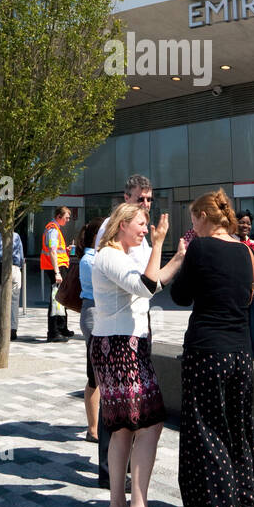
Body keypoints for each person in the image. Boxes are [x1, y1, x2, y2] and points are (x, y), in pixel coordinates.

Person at [170, 191, 254, 507]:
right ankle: (243, 499)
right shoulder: (244, 250)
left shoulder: (200, 247)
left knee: (205, 432)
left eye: (193, 218)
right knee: (238, 427)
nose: (191, 225)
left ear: (204, 217)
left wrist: (183, 255)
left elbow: (180, 295)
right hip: (241, 352)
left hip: (207, 349)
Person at [91, 201, 183, 507]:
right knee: (150, 423)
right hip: (120, 349)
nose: (146, 230)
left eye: (147, 226)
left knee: (125, 429)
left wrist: (177, 256)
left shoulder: (121, 256)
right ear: (123, 225)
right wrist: (159, 244)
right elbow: (145, 285)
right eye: (141, 224)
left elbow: (152, 284)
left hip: (122, 346)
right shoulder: (110, 255)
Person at [92, 174, 156, 489]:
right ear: (125, 198)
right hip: (116, 331)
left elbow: (151, 282)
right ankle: (110, 470)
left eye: (149, 200)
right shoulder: (111, 232)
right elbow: (139, 283)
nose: (145, 204)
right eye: (139, 198)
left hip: (139, 323)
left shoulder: (144, 232)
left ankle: (124, 465)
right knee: (114, 400)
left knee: (133, 401)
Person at [76, 218, 105, 442]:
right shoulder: (89, 260)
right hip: (94, 314)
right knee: (94, 374)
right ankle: (93, 428)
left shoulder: (99, 257)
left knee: (98, 372)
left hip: (100, 315)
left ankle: (96, 426)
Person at [41, 206, 74, 342]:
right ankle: (54, 332)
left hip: (58, 266)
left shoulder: (55, 229)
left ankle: (61, 327)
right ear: (59, 216)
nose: (68, 220)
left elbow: (56, 250)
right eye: (66, 217)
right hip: (56, 268)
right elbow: (53, 251)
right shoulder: (53, 230)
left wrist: (66, 249)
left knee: (60, 298)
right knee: (56, 299)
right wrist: (57, 272)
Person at [0, 228, 25, 339]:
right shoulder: (16, 236)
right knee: (14, 299)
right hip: (14, 268)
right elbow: (21, 256)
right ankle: (12, 328)